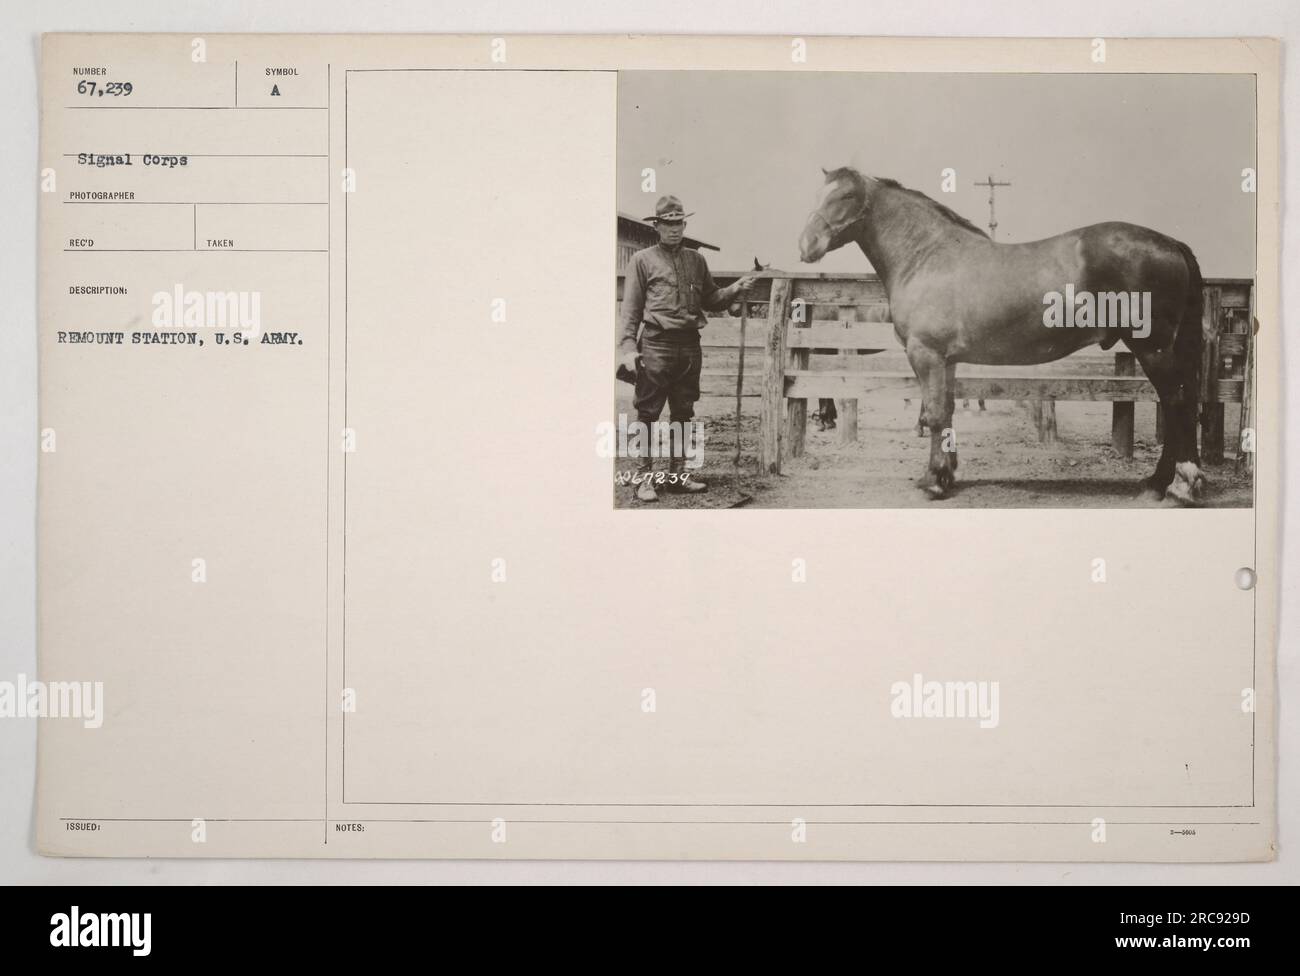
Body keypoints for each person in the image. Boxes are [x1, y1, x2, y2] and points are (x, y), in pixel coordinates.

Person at [618, 196, 759, 502]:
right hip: (656, 345)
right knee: (648, 414)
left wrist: (735, 289)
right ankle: (644, 480)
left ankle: (677, 477)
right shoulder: (642, 260)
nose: (674, 229)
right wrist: (629, 348)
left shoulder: (697, 260)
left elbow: (712, 299)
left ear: (685, 224)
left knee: (683, 412)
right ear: (657, 226)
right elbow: (630, 311)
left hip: (689, 347)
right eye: (667, 224)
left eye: (679, 223)